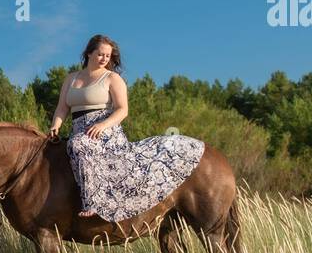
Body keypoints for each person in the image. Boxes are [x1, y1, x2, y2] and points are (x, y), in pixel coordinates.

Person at [48, 34, 205, 221]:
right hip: (78, 129)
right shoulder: (71, 79)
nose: (105, 59)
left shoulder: (112, 78)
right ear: (89, 53)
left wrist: (103, 125)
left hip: (105, 132)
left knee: (78, 145)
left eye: (108, 56)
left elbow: (123, 110)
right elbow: (62, 107)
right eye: (100, 54)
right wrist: (55, 126)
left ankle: (92, 202)